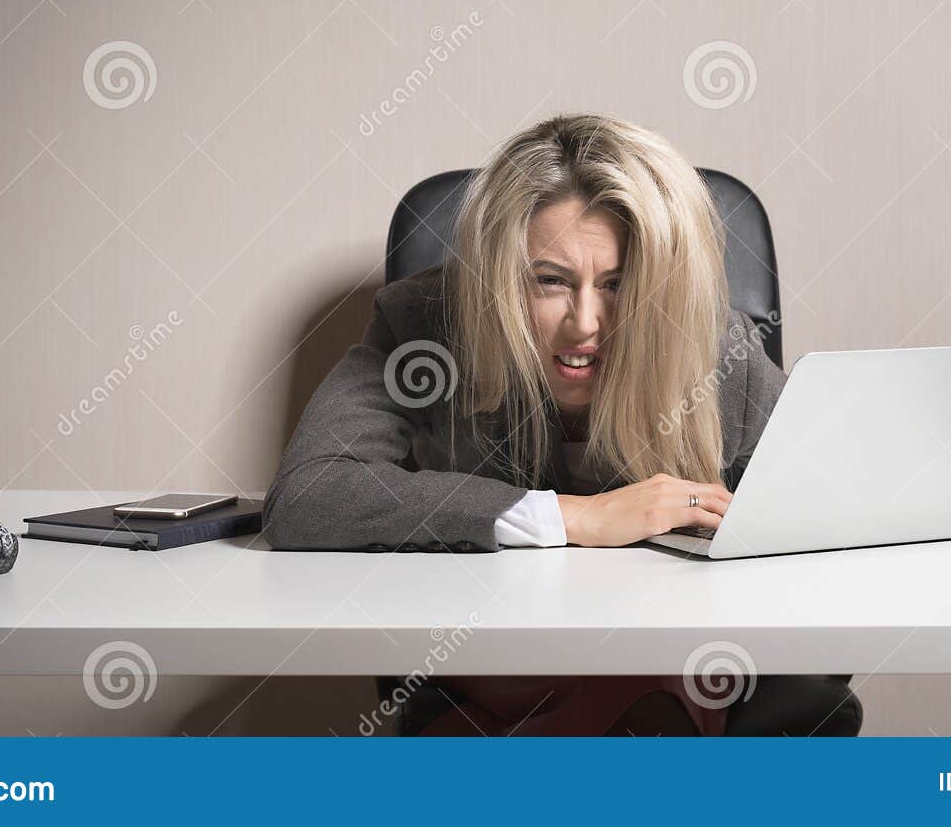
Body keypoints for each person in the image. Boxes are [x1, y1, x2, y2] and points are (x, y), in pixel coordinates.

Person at [262, 113, 861, 736]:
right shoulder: (427, 325)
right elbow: (309, 493)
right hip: (495, 683)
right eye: (549, 281)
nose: (584, 323)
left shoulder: (710, 347)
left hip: (672, 681)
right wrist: (571, 515)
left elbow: (828, 512)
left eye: (618, 284)